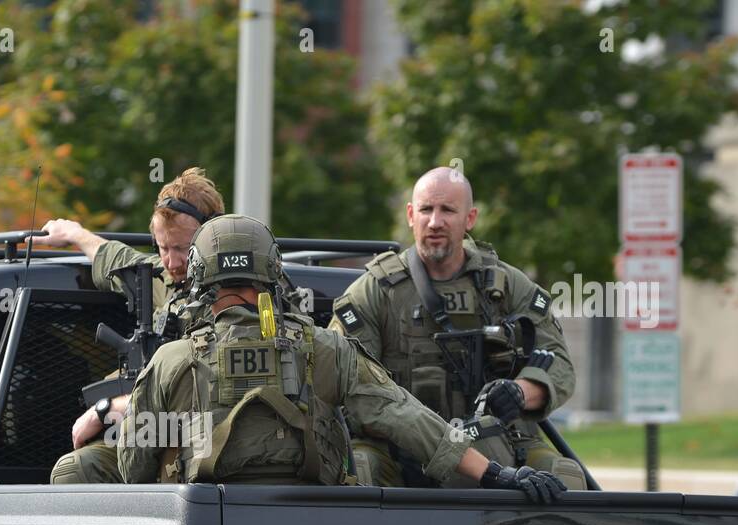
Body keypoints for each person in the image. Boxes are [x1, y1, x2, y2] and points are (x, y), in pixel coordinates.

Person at [116, 214, 566, 504]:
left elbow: (132, 470)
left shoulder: (169, 361)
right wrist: (498, 475)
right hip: (312, 521)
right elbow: (407, 418)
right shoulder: (326, 348)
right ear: (272, 273)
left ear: (198, 277)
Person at [326, 167, 584, 490]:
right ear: (410, 215)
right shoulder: (375, 291)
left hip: (497, 444)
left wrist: (520, 393)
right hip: (395, 449)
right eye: (426, 209)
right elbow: (344, 380)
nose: (435, 222)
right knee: (357, 468)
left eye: (448, 210)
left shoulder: (505, 286)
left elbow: (559, 364)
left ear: (470, 218)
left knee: (564, 476)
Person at [40, 167, 225, 483]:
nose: (171, 261)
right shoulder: (161, 279)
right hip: (154, 429)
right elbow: (114, 257)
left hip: (208, 433)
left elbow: (209, 384)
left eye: (181, 248)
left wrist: (108, 409)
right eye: (163, 248)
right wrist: (72, 233)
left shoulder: (233, 294)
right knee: (76, 470)